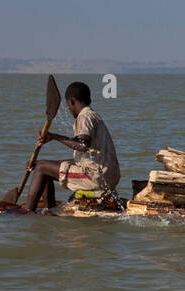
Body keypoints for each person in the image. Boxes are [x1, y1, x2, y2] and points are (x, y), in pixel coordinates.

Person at [24, 81, 120, 211]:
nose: (69, 109)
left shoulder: (84, 116)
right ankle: (49, 210)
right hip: (108, 176)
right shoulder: (94, 116)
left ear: (72, 101)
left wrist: (54, 136)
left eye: (68, 105)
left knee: (41, 169)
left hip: (96, 178)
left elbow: (82, 145)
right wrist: (43, 162)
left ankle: (28, 211)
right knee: (41, 165)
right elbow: (84, 160)